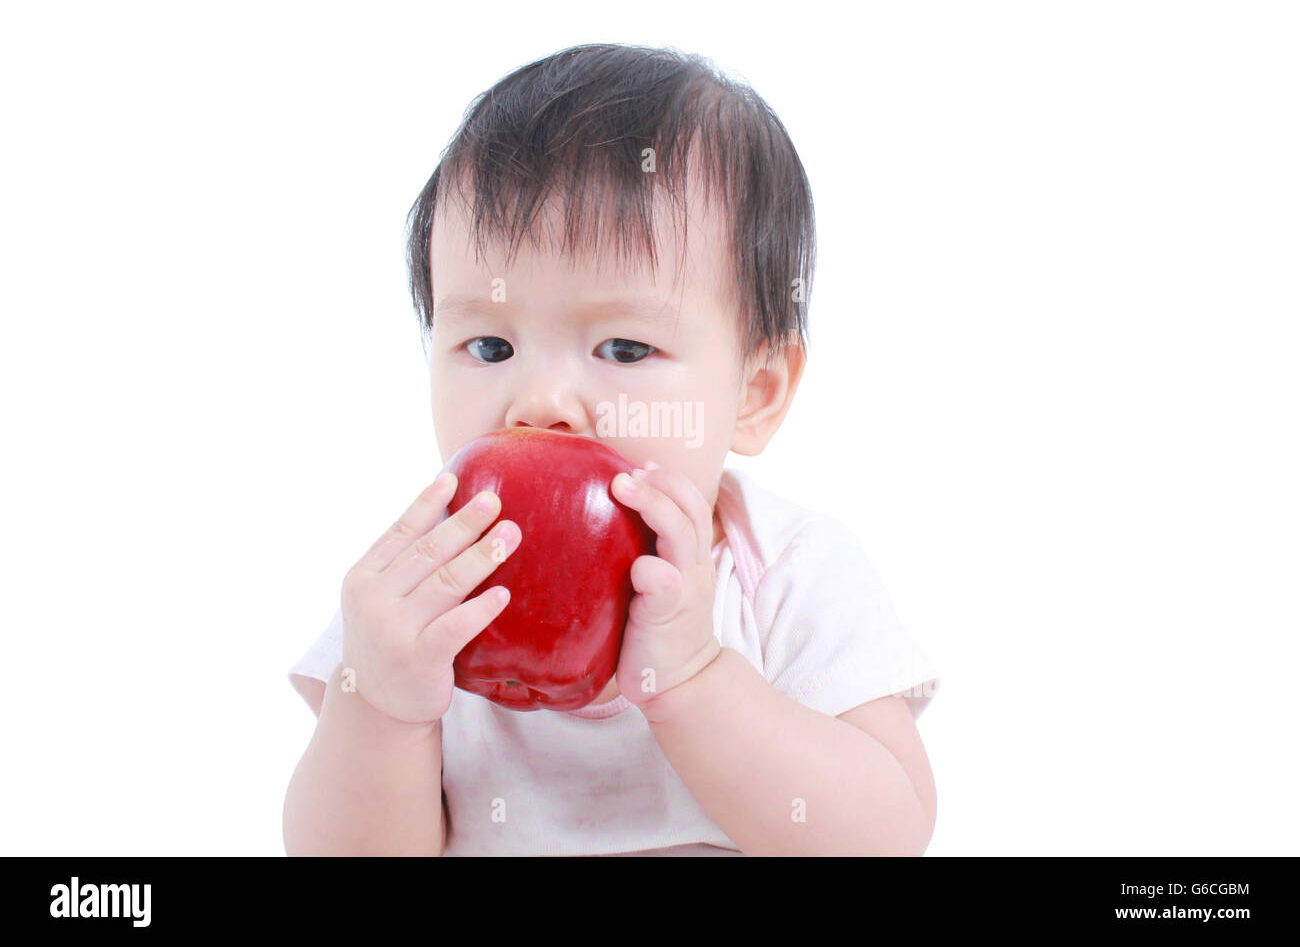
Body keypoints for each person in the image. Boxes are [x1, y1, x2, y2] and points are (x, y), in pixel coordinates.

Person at [283, 43, 940, 856]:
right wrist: (380, 708)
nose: (543, 403)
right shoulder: (420, 597)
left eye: (624, 350)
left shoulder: (787, 575)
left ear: (756, 394)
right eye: (489, 347)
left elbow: (886, 834)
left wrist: (697, 680)